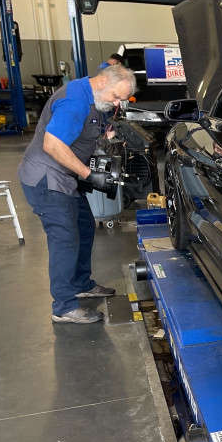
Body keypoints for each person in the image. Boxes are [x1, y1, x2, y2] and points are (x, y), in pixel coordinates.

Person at [17, 64, 137, 324]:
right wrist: (88, 174)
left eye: (122, 99)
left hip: (67, 177)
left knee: (84, 227)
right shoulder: (74, 101)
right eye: (116, 97)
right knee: (65, 239)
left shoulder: (96, 98)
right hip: (46, 178)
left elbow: (92, 132)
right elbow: (53, 144)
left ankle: (81, 284)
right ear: (102, 81)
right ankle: (63, 306)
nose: (117, 103)